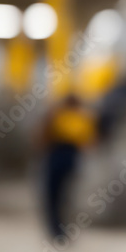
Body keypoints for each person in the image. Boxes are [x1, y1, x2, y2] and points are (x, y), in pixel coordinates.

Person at [38, 93, 96, 238]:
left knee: (53, 195)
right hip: (71, 157)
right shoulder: (83, 118)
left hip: (56, 155)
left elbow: (43, 137)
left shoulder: (56, 115)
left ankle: (56, 228)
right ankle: (61, 228)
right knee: (65, 195)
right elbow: (88, 142)